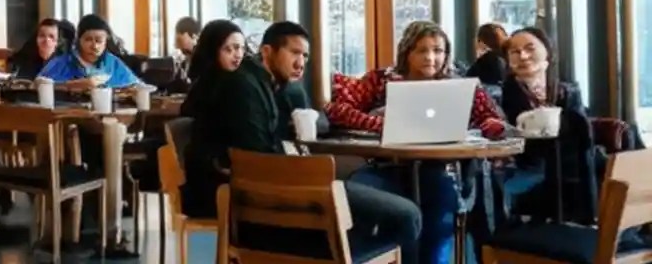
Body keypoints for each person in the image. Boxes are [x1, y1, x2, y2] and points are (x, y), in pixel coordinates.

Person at [183, 21, 423, 262]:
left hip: (284, 192)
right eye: (294, 53)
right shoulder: (244, 87)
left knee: (387, 213)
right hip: (273, 202)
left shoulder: (268, 86)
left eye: (305, 56)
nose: (301, 63)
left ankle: (335, 248)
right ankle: (334, 250)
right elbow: (257, 161)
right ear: (267, 52)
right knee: (407, 217)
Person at [326, 20, 506, 264]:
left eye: (438, 50)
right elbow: (336, 110)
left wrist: (489, 128)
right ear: (407, 51)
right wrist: (380, 124)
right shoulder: (382, 80)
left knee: (440, 212)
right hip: (386, 168)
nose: (430, 57)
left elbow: (492, 119)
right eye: (421, 50)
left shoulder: (459, 86)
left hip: (439, 171)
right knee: (359, 197)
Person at [500, 26, 600, 223]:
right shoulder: (501, 94)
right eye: (515, 52)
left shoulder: (567, 91)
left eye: (530, 48)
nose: (523, 55)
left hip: (570, 159)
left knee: (620, 159)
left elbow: (583, 131)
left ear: (547, 52)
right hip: (529, 163)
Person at [38, 14, 140, 89]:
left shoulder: (113, 63)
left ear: (105, 42)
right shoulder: (61, 63)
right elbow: (37, 85)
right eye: (88, 40)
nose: (94, 46)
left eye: (99, 41)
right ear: (78, 40)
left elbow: (137, 86)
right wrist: (70, 85)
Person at [180, 19, 248, 120]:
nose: (238, 55)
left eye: (242, 49)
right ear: (212, 51)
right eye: (229, 49)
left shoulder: (244, 81)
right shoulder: (206, 88)